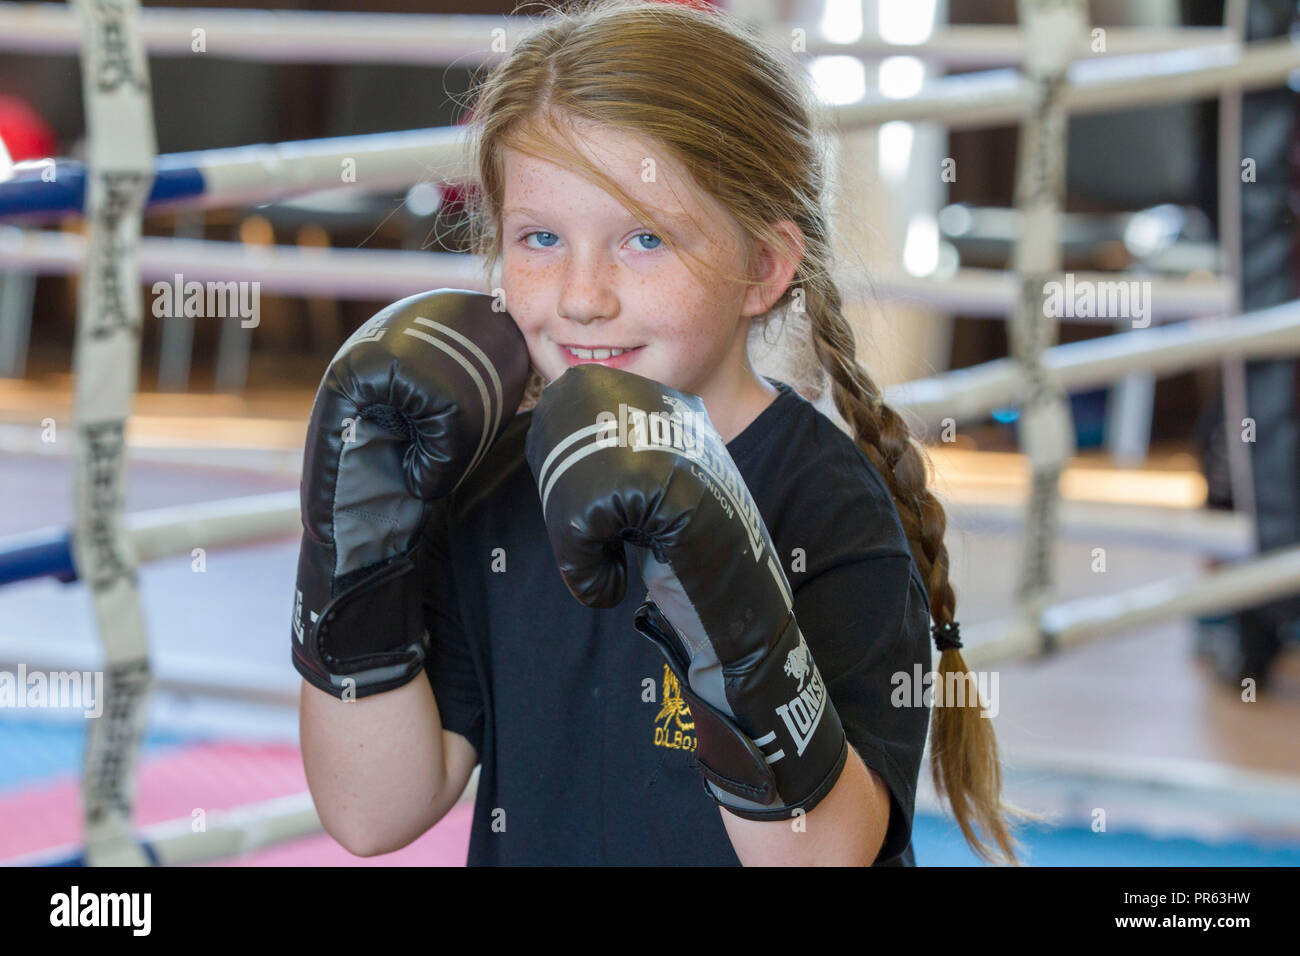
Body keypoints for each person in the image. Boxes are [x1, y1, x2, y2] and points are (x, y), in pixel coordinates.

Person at [296, 0, 1037, 865]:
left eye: (644, 239)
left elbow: (827, 857)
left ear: (763, 267)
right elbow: (372, 813)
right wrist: (355, 553)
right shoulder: (495, 484)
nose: (582, 294)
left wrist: (730, 614)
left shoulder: (825, 500)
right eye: (540, 237)